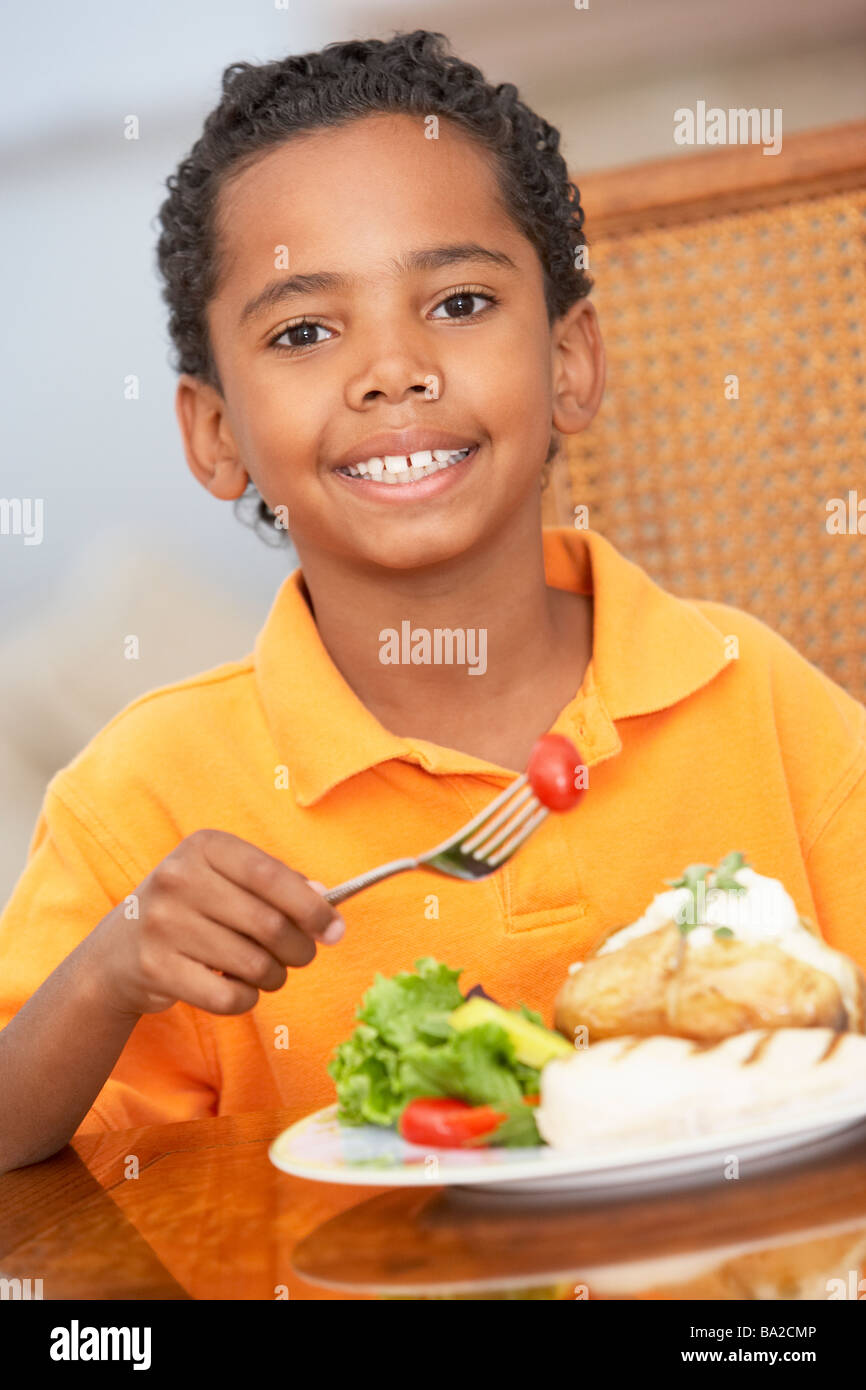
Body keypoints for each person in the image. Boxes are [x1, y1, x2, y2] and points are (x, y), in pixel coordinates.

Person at [1, 30, 863, 1174]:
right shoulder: (145, 796)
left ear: (569, 361)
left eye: (457, 303)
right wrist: (110, 971)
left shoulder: (748, 691)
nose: (392, 368)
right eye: (304, 331)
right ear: (217, 434)